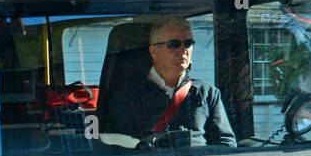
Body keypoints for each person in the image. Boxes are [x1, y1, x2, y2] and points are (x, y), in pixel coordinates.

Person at [100, 17, 238, 147]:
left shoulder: (207, 93)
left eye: (188, 43)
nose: (183, 51)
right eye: (174, 44)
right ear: (154, 51)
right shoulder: (126, 97)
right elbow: (117, 149)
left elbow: (226, 143)